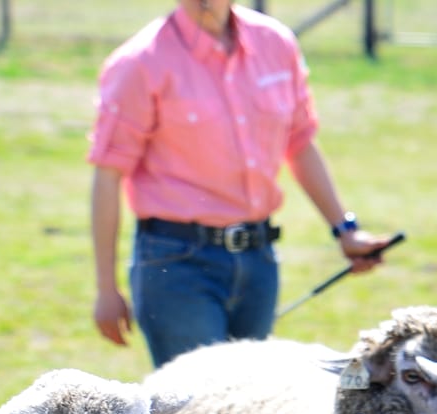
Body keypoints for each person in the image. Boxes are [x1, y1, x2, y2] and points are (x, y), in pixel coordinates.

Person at [87, 0, 396, 367]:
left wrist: (346, 230)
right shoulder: (139, 63)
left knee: (246, 407)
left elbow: (299, 145)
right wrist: (107, 288)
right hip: (176, 264)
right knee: (196, 410)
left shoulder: (275, 44)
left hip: (259, 262)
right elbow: (108, 175)